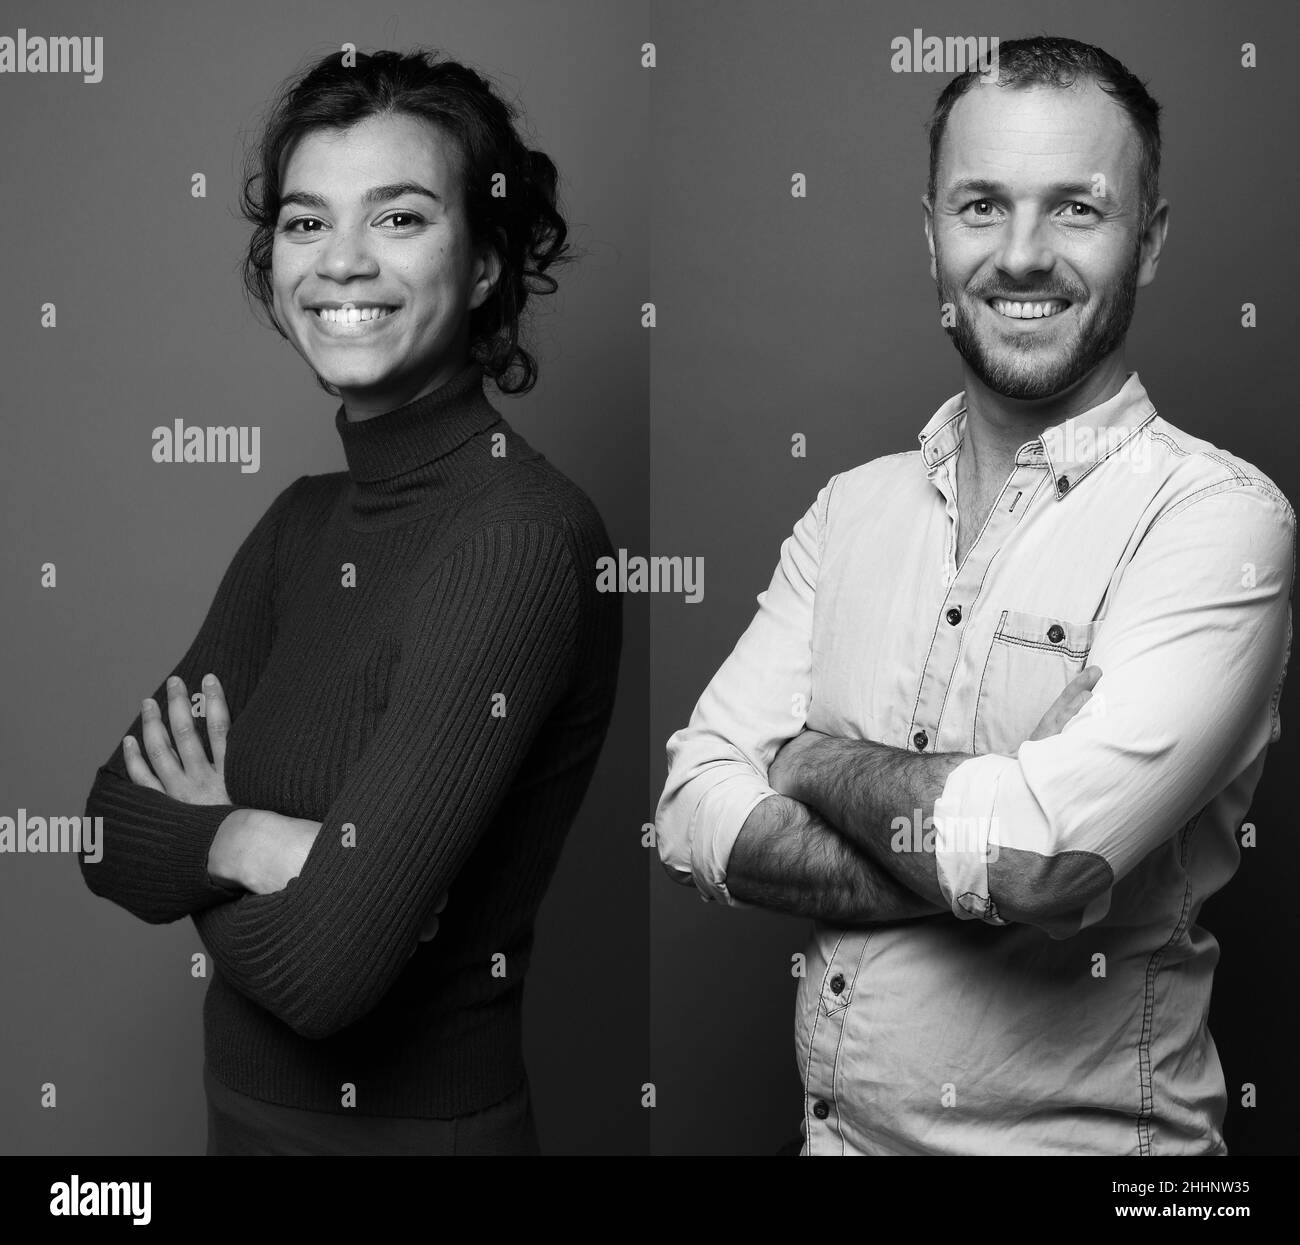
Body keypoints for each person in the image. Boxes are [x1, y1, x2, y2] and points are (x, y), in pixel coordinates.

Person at [655, 35, 1293, 1155]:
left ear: (1148, 240)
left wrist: (805, 760)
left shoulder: (1218, 522)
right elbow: (690, 809)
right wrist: (983, 823)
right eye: (982, 205)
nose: (1023, 255)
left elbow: (1041, 860)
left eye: (1077, 210)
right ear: (931, 234)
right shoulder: (849, 511)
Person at [80, 47, 620, 1156]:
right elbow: (102, 829)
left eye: (401, 218)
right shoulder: (300, 523)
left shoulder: (518, 540)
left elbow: (327, 976)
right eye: (306, 222)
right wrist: (258, 843)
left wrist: (200, 839)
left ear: (484, 264)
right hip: (240, 1127)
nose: (342, 262)